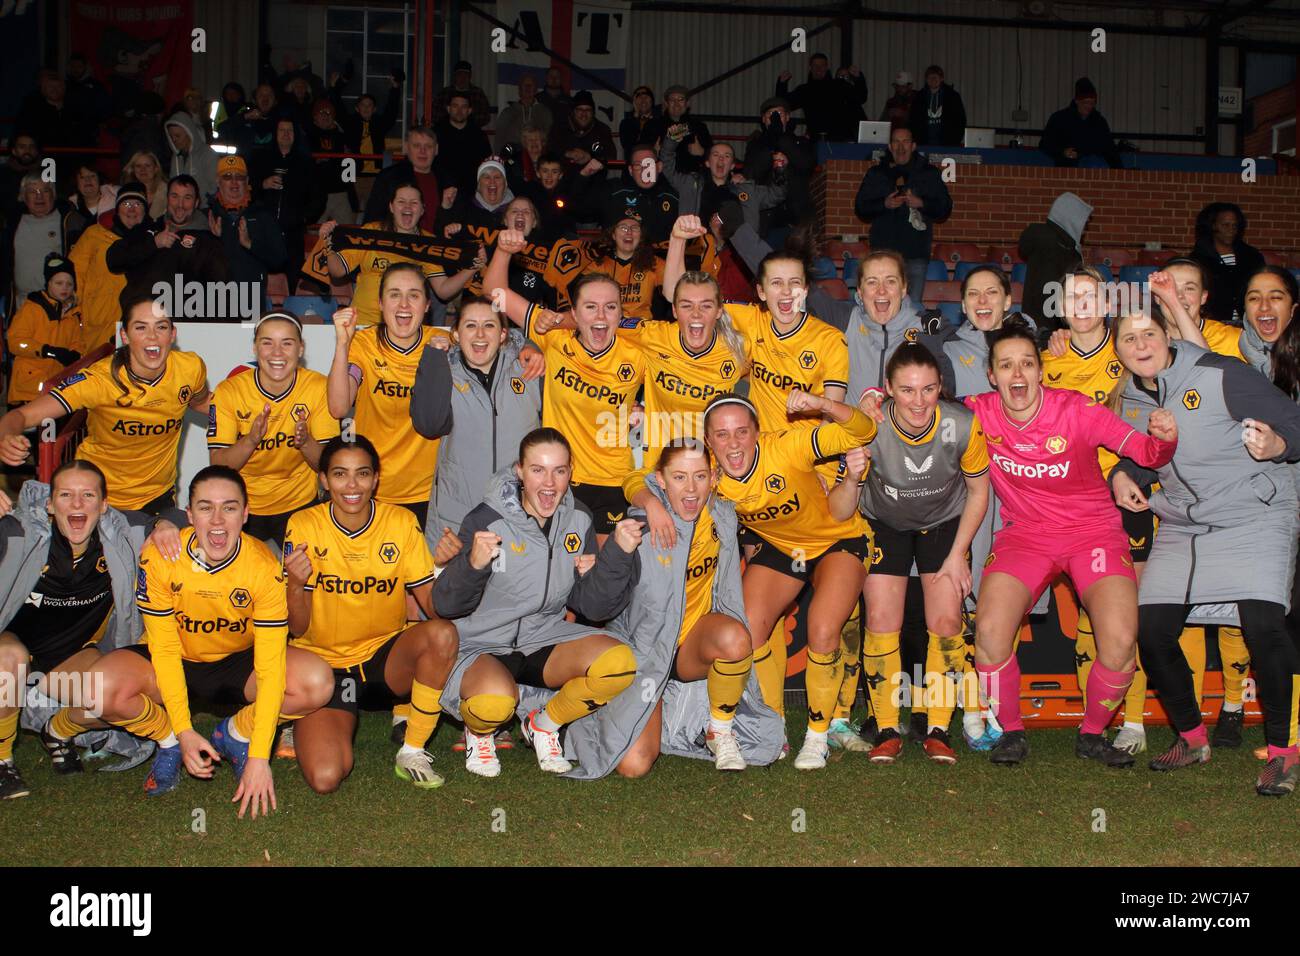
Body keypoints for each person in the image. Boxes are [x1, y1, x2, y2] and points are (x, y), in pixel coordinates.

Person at [1108, 308, 1300, 795]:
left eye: (1149, 333)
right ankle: (1193, 739)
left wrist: (1277, 444)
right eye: (1128, 338)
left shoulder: (1221, 374)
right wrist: (1123, 476)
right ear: (1118, 349)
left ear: (1168, 335)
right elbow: (1141, 458)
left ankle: (1283, 752)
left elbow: (1294, 424)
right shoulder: (1126, 399)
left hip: (1254, 512)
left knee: (1263, 627)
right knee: (1150, 631)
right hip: (1184, 523)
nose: (1140, 344)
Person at [968, 325, 1177, 767]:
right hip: (1025, 536)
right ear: (991, 376)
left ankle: (1092, 734)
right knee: (987, 633)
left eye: (1027, 362)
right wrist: (874, 397)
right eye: (1006, 365)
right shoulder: (977, 414)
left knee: (1121, 640)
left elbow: (1146, 453)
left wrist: (1164, 437)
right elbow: (921, 409)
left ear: (1042, 371)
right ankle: (1011, 732)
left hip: (1093, 533)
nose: (1017, 373)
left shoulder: (1078, 410)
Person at [565, 439, 783, 777]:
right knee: (633, 765)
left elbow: (771, 489)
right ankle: (620, 710)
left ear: (713, 477)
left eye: (699, 476)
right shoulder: (641, 523)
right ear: (661, 480)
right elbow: (595, 607)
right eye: (679, 477)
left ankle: (719, 732)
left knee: (736, 638)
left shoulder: (722, 514)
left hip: (691, 649)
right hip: (646, 655)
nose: (691, 488)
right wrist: (616, 553)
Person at [433, 428, 641, 778]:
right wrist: (472, 566)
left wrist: (616, 557)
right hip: (483, 642)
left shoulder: (580, 519)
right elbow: (446, 605)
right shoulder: (486, 518)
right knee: (492, 706)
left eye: (559, 470)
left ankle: (543, 723)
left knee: (619, 663)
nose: (549, 483)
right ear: (519, 471)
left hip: (541, 636)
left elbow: (593, 608)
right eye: (537, 470)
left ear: (571, 472)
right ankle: (480, 731)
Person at [128, 465, 333, 813]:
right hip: (176, 659)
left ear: (246, 513)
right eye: (206, 507)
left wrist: (258, 755)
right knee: (100, 687)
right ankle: (170, 742)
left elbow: (269, 668)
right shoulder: (159, 557)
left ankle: (235, 733)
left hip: (237, 663)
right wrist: (183, 729)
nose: (218, 519)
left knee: (316, 682)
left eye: (230, 507)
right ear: (189, 514)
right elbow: (162, 650)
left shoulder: (263, 565)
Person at [827, 344, 990, 764]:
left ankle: (938, 728)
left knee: (946, 620)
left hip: (944, 523)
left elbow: (979, 491)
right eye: (907, 390)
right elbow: (839, 501)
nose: (919, 401)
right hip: (885, 523)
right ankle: (886, 727)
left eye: (929, 389)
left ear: (941, 387)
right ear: (887, 390)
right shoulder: (870, 425)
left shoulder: (963, 424)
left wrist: (958, 555)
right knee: (881, 619)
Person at [702, 391, 875, 769]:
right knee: (748, 624)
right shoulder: (710, 478)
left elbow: (863, 429)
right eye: (722, 434)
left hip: (837, 538)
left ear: (758, 432)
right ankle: (772, 725)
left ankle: (817, 736)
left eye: (742, 432)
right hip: (786, 548)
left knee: (824, 628)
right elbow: (650, 480)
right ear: (708, 441)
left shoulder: (788, 446)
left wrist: (824, 405)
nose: (733, 444)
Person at [285, 436, 459, 791]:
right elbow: (297, 627)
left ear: (376, 479)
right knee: (325, 778)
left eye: (362, 474)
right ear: (324, 480)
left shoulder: (400, 521)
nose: (352, 486)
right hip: (326, 673)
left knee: (442, 634)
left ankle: (412, 749)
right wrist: (294, 584)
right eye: (340, 474)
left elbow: (434, 608)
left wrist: (444, 568)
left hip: (383, 665)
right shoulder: (303, 524)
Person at [0, 462, 176, 799]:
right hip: (10, 644)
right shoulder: (18, 531)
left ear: (104, 504)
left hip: (68, 655)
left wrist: (168, 523)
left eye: (88, 495)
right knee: (10, 657)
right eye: (66, 495)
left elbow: (184, 518)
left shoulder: (121, 535)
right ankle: (2, 759)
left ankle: (57, 729)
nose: (78, 504)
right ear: (50, 504)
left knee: (130, 695)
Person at [0, 292, 210, 515]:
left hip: (156, 496)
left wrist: (242, 415)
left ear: (172, 334)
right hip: (95, 495)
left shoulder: (190, 368)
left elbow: (202, 402)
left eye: (161, 327)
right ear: (125, 335)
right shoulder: (98, 380)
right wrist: (7, 437)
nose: (152, 337)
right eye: (140, 328)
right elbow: (19, 416)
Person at [484, 252, 646, 542]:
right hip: (558, 480)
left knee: (602, 578)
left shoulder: (638, 354)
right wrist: (504, 251)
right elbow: (495, 293)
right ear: (574, 312)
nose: (600, 316)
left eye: (610, 307)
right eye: (590, 307)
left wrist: (645, 410)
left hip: (613, 481)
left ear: (621, 313)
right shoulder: (553, 338)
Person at [666, 230, 847, 432]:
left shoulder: (830, 340)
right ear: (761, 291)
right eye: (776, 283)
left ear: (805, 290)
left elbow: (833, 417)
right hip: (762, 450)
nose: (786, 291)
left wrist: (811, 453)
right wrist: (677, 238)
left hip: (810, 452)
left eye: (794, 282)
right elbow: (680, 295)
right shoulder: (752, 319)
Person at [410, 295, 543, 544]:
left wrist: (528, 343)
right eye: (470, 325)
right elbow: (428, 424)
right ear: (457, 334)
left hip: (519, 515)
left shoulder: (529, 369)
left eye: (489, 325)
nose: (480, 334)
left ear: (503, 334)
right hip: (457, 517)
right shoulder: (444, 369)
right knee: (453, 584)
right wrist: (432, 360)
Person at [327, 264, 448, 526]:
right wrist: (342, 344)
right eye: (394, 294)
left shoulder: (441, 343)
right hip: (376, 488)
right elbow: (338, 407)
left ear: (427, 305)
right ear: (381, 303)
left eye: (414, 295)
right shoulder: (364, 343)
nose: (404, 304)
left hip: (429, 491)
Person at [208, 312, 340, 547]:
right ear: (255, 348)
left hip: (299, 503)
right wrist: (250, 440)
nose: (277, 353)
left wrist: (306, 442)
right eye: (267, 343)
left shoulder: (318, 387)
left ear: (300, 349)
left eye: (286, 343)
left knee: (302, 578)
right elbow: (218, 465)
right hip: (244, 505)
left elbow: (329, 467)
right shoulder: (229, 391)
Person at [323, 182, 484, 328]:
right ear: (392, 207)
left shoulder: (428, 242)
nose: (408, 206)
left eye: (414, 203)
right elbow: (337, 271)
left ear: (422, 209)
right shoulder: (370, 232)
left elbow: (443, 290)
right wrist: (327, 244)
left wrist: (471, 268)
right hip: (363, 325)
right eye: (401, 201)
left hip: (406, 328)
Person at [854, 126, 953, 304]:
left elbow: (945, 208)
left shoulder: (929, 173)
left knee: (912, 308)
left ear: (913, 146)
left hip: (915, 256)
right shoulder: (877, 174)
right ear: (890, 147)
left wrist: (921, 203)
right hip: (882, 256)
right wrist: (884, 204)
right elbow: (861, 208)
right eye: (896, 142)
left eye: (905, 141)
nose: (901, 147)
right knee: (881, 306)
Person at [105, 175, 231, 295]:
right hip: (145, 313)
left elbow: (221, 286)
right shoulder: (149, 229)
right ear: (167, 198)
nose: (180, 205)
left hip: (188, 313)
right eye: (174, 196)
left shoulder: (207, 236)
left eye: (187, 198)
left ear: (196, 202)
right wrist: (154, 243)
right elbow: (114, 260)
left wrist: (219, 241)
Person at [67, 183, 147, 351]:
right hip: (98, 325)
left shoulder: (153, 240)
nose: (131, 209)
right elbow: (74, 272)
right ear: (117, 209)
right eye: (126, 204)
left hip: (139, 325)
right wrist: (76, 312)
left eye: (137, 204)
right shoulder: (94, 235)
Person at [661, 136, 782, 239]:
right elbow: (667, 168)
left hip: (735, 256)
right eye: (716, 154)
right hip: (697, 251)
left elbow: (776, 195)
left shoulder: (745, 189)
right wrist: (671, 141)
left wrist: (780, 170)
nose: (721, 158)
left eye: (727, 156)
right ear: (707, 163)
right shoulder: (690, 183)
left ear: (732, 166)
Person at [7, 253, 83, 406]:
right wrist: (46, 350)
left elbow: (78, 342)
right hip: (28, 389)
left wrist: (76, 355)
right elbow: (15, 342)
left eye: (69, 284)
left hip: (56, 388)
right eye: (59, 283)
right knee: (24, 429)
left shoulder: (73, 315)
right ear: (48, 283)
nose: (65, 288)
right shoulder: (32, 309)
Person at [206, 154, 288, 297]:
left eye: (239, 177)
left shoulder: (263, 215)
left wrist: (250, 244)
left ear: (247, 181)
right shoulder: (208, 215)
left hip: (251, 301)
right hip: (213, 301)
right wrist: (216, 240)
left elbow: (279, 260)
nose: (234, 182)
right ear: (218, 182)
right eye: (227, 177)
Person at [251, 118, 316, 280]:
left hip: (293, 232)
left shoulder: (306, 162)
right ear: (275, 133)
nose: (286, 134)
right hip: (264, 229)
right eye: (282, 130)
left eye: (290, 130)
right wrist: (262, 184)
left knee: (293, 275)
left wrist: (305, 217)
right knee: (260, 275)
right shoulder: (260, 158)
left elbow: (318, 195)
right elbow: (246, 188)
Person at [742, 97, 816, 237]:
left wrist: (781, 138)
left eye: (780, 114)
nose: (775, 118)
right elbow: (750, 173)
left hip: (796, 216)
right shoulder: (756, 145)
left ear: (787, 117)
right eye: (770, 115)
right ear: (763, 119)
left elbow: (807, 164)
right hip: (767, 216)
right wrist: (770, 145)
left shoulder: (800, 142)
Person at [1018, 192, 1092, 332]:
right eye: (1083, 223)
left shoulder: (1042, 239)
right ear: (1072, 219)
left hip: (1034, 324)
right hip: (1053, 330)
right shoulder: (1066, 251)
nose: (1084, 229)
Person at [1189, 202, 1266, 325]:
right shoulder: (1199, 258)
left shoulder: (1251, 256)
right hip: (1214, 324)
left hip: (1248, 323)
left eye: (1235, 226)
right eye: (1226, 225)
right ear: (1213, 226)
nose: (1231, 230)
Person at [598, 143, 679, 245]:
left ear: (659, 167)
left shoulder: (673, 197)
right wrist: (584, 175)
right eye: (638, 165)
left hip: (662, 257)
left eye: (649, 165)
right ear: (631, 170)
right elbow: (581, 209)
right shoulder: (614, 193)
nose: (645, 171)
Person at [775, 55, 868, 141]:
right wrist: (782, 84)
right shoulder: (805, 91)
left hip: (842, 139)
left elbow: (860, 97)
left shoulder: (840, 86)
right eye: (815, 65)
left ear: (827, 67)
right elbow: (784, 104)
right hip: (817, 141)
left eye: (822, 65)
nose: (818, 68)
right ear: (810, 68)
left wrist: (859, 79)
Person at [364, 126, 441, 229]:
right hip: (397, 241)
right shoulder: (388, 177)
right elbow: (373, 217)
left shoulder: (447, 181)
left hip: (438, 243)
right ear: (405, 148)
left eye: (428, 146)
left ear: (436, 149)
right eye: (417, 145)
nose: (423, 151)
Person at [7, 175, 64, 303]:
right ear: (23, 197)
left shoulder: (66, 222)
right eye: (33, 191)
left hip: (56, 304)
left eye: (45, 191)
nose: (39, 196)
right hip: (21, 304)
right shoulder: (13, 224)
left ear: (53, 194)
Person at [1040, 78, 1119, 169]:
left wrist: (1120, 171)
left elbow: (1110, 149)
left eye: (1092, 103)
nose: (1089, 106)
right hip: (1067, 169)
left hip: (1093, 169)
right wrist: (1063, 152)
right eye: (1086, 102)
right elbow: (1045, 143)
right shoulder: (1059, 119)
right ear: (1077, 101)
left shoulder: (1099, 122)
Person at [433, 92, 492, 195]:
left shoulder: (479, 136)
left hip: (472, 192)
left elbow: (487, 164)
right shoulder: (436, 134)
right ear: (448, 109)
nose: (459, 111)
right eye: (455, 106)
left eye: (463, 107)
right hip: (442, 190)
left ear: (469, 110)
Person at [647, 85, 713, 176]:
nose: (676, 104)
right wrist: (651, 153)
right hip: (660, 179)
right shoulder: (653, 125)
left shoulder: (699, 127)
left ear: (687, 103)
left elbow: (713, 155)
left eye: (681, 99)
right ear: (666, 103)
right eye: (672, 100)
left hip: (691, 179)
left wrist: (703, 153)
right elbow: (638, 155)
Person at [547, 90, 616, 174]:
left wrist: (590, 157)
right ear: (573, 112)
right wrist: (567, 153)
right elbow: (549, 151)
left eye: (588, 110)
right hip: (565, 180)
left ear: (593, 113)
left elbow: (612, 157)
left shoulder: (602, 130)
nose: (584, 114)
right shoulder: (559, 128)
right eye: (580, 109)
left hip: (594, 181)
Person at [907, 65, 967, 148]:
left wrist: (954, 141)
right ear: (926, 79)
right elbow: (912, 120)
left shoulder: (953, 97)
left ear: (942, 78)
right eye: (930, 77)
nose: (933, 80)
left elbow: (960, 120)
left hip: (948, 144)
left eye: (936, 77)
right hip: (923, 144)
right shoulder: (918, 97)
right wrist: (916, 139)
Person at [163, 112, 219, 200]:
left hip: (204, 208)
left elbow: (215, 187)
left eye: (177, 136)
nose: (174, 140)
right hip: (180, 209)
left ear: (189, 133)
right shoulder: (176, 157)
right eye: (171, 136)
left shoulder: (207, 154)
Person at [495, 74, 552, 154]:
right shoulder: (508, 112)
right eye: (525, 85)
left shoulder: (545, 113)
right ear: (519, 89)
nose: (528, 87)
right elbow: (499, 139)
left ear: (536, 90)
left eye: (531, 85)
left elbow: (549, 138)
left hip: (537, 155)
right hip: (512, 156)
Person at [431, 60, 491, 129]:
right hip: (447, 131)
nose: (463, 78)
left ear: (470, 76)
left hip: (471, 131)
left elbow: (485, 116)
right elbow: (434, 114)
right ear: (455, 76)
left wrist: (466, 122)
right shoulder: (444, 93)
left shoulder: (478, 93)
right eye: (460, 75)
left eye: (466, 75)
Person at [618, 85, 659, 160]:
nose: (643, 100)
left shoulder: (660, 122)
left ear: (652, 101)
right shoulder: (626, 123)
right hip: (632, 167)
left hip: (652, 165)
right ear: (634, 102)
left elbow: (649, 142)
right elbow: (628, 146)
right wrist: (635, 117)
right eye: (639, 97)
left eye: (646, 97)